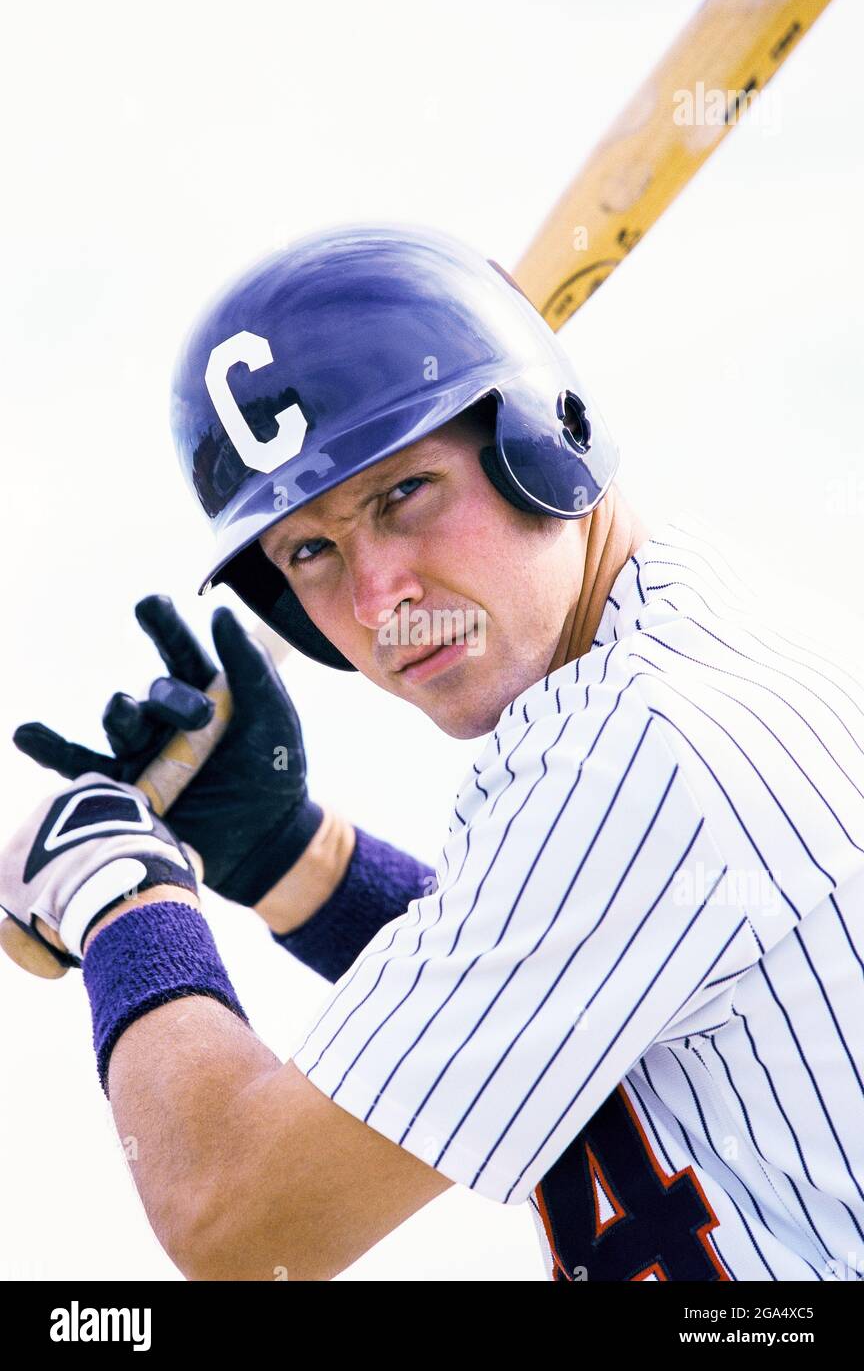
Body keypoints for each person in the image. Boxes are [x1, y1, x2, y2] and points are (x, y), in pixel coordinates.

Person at [6, 225, 864, 1282]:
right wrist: (290, 857)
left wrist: (118, 896)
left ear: (543, 439)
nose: (378, 601)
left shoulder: (644, 744)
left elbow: (242, 1226)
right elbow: (530, 993)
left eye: (403, 493)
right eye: (310, 549)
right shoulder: (677, 659)